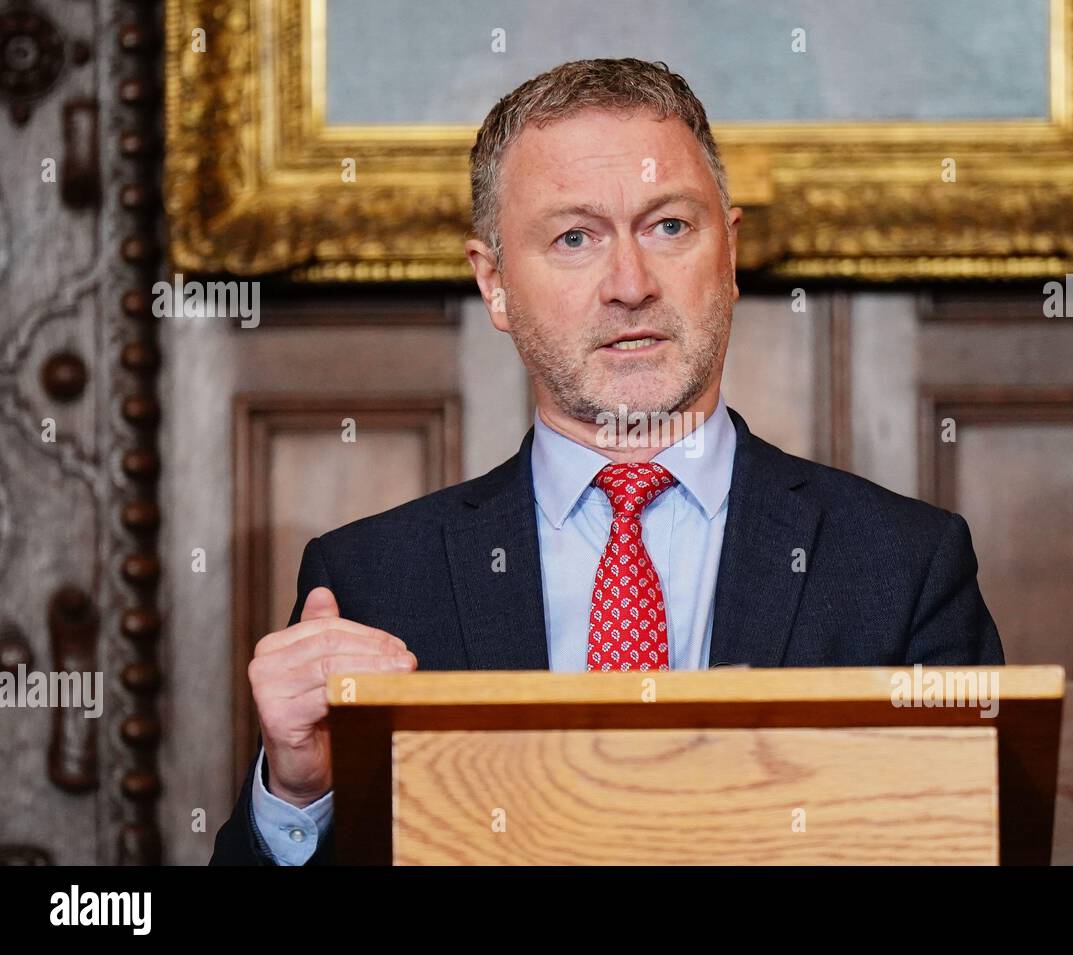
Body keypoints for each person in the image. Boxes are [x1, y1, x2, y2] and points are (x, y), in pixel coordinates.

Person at [211, 57, 1004, 866]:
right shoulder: (371, 579)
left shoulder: (904, 564)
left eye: (668, 226)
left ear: (727, 255)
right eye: (574, 237)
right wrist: (300, 792)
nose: (630, 284)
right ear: (495, 285)